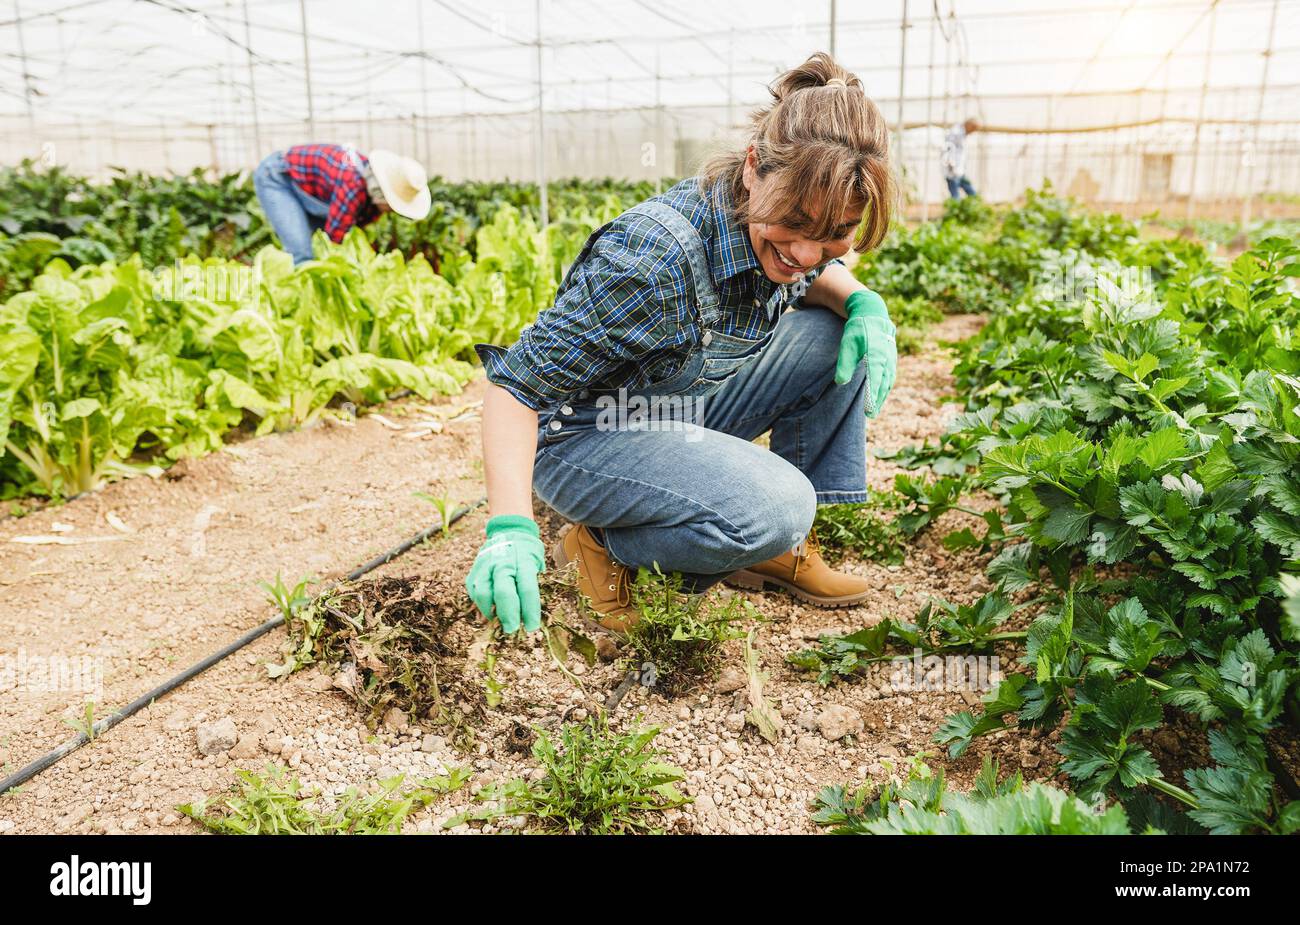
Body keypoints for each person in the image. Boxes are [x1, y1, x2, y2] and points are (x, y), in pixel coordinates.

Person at [465, 52, 898, 635]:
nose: (806, 255)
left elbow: (815, 269)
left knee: (838, 336)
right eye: (795, 224)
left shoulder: (784, 233)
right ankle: (605, 545)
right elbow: (515, 388)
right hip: (584, 434)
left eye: (835, 235)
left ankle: (779, 546)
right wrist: (508, 528)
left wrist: (862, 303)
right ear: (753, 169)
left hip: (674, 401)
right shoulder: (653, 260)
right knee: (775, 506)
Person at [252, 144, 431, 265]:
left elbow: (348, 231)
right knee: (302, 254)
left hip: (310, 187)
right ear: (381, 195)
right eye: (393, 205)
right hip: (277, 177)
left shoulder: (368, 184)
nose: (393, 211)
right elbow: (333, 241)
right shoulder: (352, 186)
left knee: (315, 247)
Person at [941, 118, 980, 199]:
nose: (972, 132)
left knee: (972, 193)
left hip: (959, 171)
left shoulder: (962, 133)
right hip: (952, 171)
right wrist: (951, 165)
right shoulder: (955, 133)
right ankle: (956, 210)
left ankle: (975, 206)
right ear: (968, 125)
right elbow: (948, 148)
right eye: (973, 129)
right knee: (956, 197)